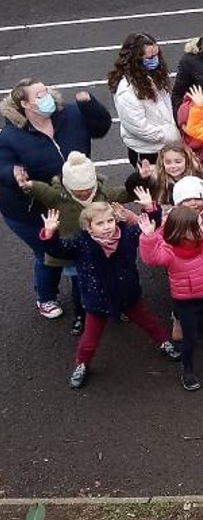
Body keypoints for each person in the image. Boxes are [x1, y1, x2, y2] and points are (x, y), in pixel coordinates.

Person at [0, 80, 111, 320]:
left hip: (70, 200)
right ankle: (46, 297)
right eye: (39, 95)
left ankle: (87, 296)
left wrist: (89, 105)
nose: (47, 96)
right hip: (29, 209)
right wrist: (13, 173)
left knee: (77, 247)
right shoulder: (10, 135)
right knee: (48, 253)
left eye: (46, 91)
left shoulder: (70, 114)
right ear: (25, 104)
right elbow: (3, 164)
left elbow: (101, 127)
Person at [41, 204, 180, 389]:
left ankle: (164, 343)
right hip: (98, 301)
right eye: (100, 223)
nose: (107, 226)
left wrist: (150, 208)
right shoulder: (80, 244)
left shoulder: (127, 236)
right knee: (89, 339)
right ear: (88, 227)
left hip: (127, 295)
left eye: (110, 221)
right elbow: (58, 249)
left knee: (149, 322)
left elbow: (149, 224)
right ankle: (82, 364)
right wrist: (50, 234)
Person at [16, 151, 139, 335]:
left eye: (88, 189)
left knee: (110, 280)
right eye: (78, 191)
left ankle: (116, 307)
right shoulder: (59, 197)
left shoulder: (103, 193)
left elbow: (124, 192)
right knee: (79, 286)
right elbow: (43, 190)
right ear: (68, 186)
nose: (84, 193)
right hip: (74, 251)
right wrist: (29, 185)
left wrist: (141, 179)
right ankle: (81, 315)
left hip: (101, 250)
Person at [138, 179, 203, 391]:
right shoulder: (168, 250)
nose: (202, 228)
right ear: (177, 231)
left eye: (201, 224)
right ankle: (188, 370)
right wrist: (148, 236)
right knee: (190, 338)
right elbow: (150, 258)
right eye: (196, 227)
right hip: (185, 303)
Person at [108, 32, 180, 167]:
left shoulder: (152, 76)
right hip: (147, 151)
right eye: (150, 57)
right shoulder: (126, 90)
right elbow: (139, 127)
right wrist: (170, 135)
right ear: (136, 59)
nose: (155, 59)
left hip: (163, 145)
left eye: (157, 55)